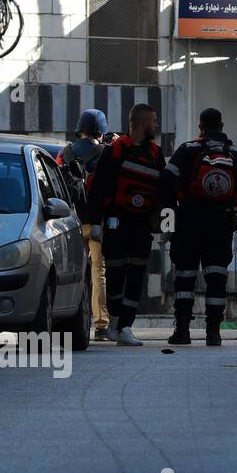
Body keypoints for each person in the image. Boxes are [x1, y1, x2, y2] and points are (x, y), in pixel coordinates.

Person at [160, 108, 237, 347]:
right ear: (221, 125)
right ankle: (214, 332)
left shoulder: (188, 149)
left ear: (200, 127)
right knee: (216, 277)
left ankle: (182, 330)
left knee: (185, 276)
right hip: (221, 224)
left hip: (189, 220)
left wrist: (167, 223)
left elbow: (167, 182)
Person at [90, 103, 164, 346]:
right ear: (142, 124)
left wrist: (164, 222)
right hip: (116, 223)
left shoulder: (156, 154)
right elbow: (98, 188)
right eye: (153, 121)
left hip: (141, 225)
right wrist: (96, 223)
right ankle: (114, 325)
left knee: (135, 276)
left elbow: (163, 192)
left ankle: (125, 327)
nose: (156, 126)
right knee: (114, 275)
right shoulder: (114, 151)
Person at [57, 109, 111, 340]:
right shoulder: (105, 153)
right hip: (97, 222)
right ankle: (101, 325)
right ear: (101, 130)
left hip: (70, 223)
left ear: (79, 129)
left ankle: (70, 319)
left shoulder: (64, 153)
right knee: (98, 272)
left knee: (72, 273)